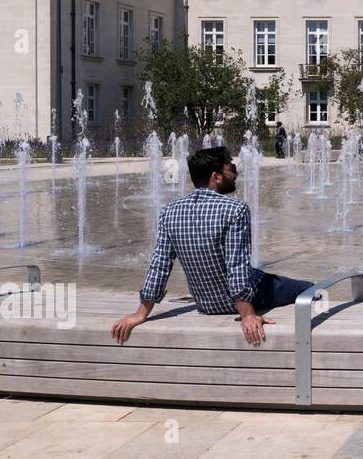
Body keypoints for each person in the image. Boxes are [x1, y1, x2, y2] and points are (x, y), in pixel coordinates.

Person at [110, 147, 314, 347]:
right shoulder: (235, 209)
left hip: (206, 304)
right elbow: (236, 267)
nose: (236, 173)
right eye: (231, 168)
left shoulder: (169, 212)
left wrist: (140, 314)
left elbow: (160, 265)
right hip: (249, 298)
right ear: (216, 176)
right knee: (309, 289)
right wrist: (248, 315)